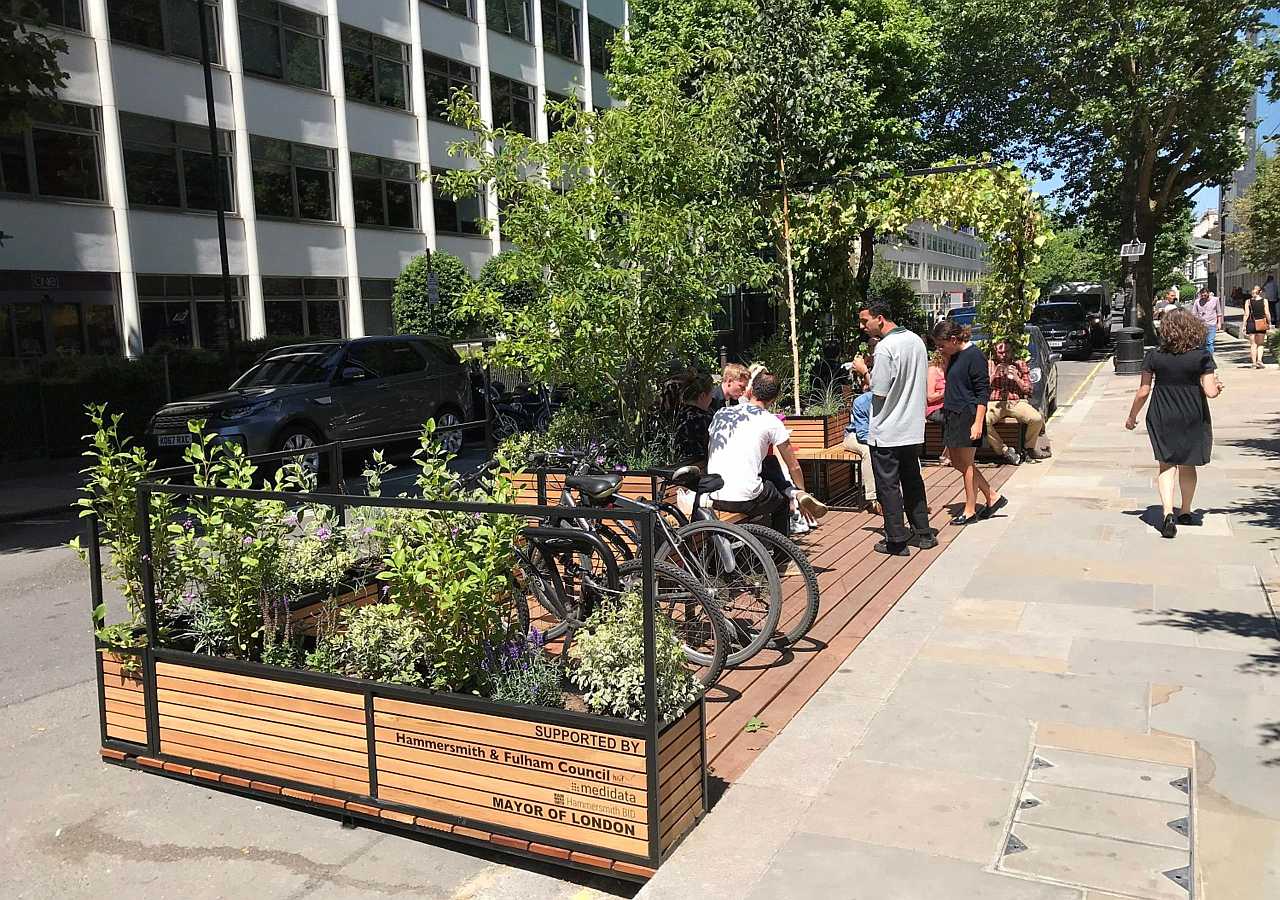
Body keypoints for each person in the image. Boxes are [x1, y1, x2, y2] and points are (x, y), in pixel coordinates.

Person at [1125, 308, 1223, 538]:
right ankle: (1186, 511)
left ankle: (1168, 513)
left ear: (1166, 330)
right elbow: (1210, 391)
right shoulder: (1202, 356)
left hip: (1162, 414)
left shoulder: (1154, 356)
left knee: (1166, 464)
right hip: (1192, 414)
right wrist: (1218, 387)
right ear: (1193, 328)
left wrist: (1132, 417)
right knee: (1188, 464)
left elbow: (1143, 391)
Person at [851, 301, 935, 556]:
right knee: (913, 481)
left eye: (865, 321)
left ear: (881, 318)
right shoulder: (916, 341)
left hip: (888, 430)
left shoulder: (886, 347)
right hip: (912, 428)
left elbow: (879, 391)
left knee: (888, 486)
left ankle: (896, 540)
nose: (862, 326)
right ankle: (923, 533)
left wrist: (864, 371)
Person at [706, 371, 827, 534]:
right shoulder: (771, 422)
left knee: (768, 462)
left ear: (751, 390)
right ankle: (782, 554)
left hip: (715, 494)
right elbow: (794, 466)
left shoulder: (722, 414)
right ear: (773, 399)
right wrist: (802, 490)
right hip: (746, 498)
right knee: (782, 499)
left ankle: (792, 492)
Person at [931, 320, 1007, 525]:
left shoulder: (975, 356)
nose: (939, 348)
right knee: (957, 462)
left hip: (968, 414)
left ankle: (970, 509)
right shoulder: (954, 356)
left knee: (966, 464)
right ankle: (992, 496)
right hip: (953, 414)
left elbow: (983, 392)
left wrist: (978, 423)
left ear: (954, 339)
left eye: (941, 344)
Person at [985, 340, 1048, 465]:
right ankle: (1004, 450)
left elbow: (1029, 390)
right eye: (1000, 352)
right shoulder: (989, 365)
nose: (1004, 355)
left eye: (1007, 352)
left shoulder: (1019, 364)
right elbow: (981, 386)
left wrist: (1017, 378)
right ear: (995, 352)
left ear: (1012, 351)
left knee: (1036, 418)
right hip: (994, 402)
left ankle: (1028, 449)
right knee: (983, 422)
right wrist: (994, 374)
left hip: (1016, 401)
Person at [841, 350, 878, 516]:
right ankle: (873, 499)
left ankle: (914, 497)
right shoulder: (862, 401)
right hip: (854, 435)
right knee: (869, 451)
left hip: (876, 436)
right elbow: (862, 435)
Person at [673, 373, 714, 467]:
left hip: (675, 466)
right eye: (710, 395)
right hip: (698, 469)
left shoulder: (677, 415)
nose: (711, 399)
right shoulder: (704, 420)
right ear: (703, 396)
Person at [925, 350, 950, 467]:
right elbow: (929, 397)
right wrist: (945, 393)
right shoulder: (933, 370)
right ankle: (947, 455)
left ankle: (948, 454)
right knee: (953, 418)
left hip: (948, 406)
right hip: (933, 408)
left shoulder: (950, 369)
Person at [1190, 288, 1223, 355]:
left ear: (1208, 293)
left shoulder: (1215, 300)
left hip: (1212, 324)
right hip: (1201, 325)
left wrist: (1219, 323)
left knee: (1209, 342)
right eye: (1202, 296)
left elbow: (1219, 312)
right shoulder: (1197, 302)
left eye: (1205, 295)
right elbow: (1194, 314)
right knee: (1202, 343)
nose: (1203, 297)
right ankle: (1203, 357)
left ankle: (1210, 358)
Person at [1245, 284, 1272, 369]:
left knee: (1253, 344)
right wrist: (1269, 323)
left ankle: (1253, 363)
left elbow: (1246, 314)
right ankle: (1259, 361)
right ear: (1260, 292)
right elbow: (1267, 313)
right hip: (1261, 323)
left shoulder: (1248, 301)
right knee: (1260, 344)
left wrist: (1243, 325)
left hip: (1251, 323)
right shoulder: (1264, 301)